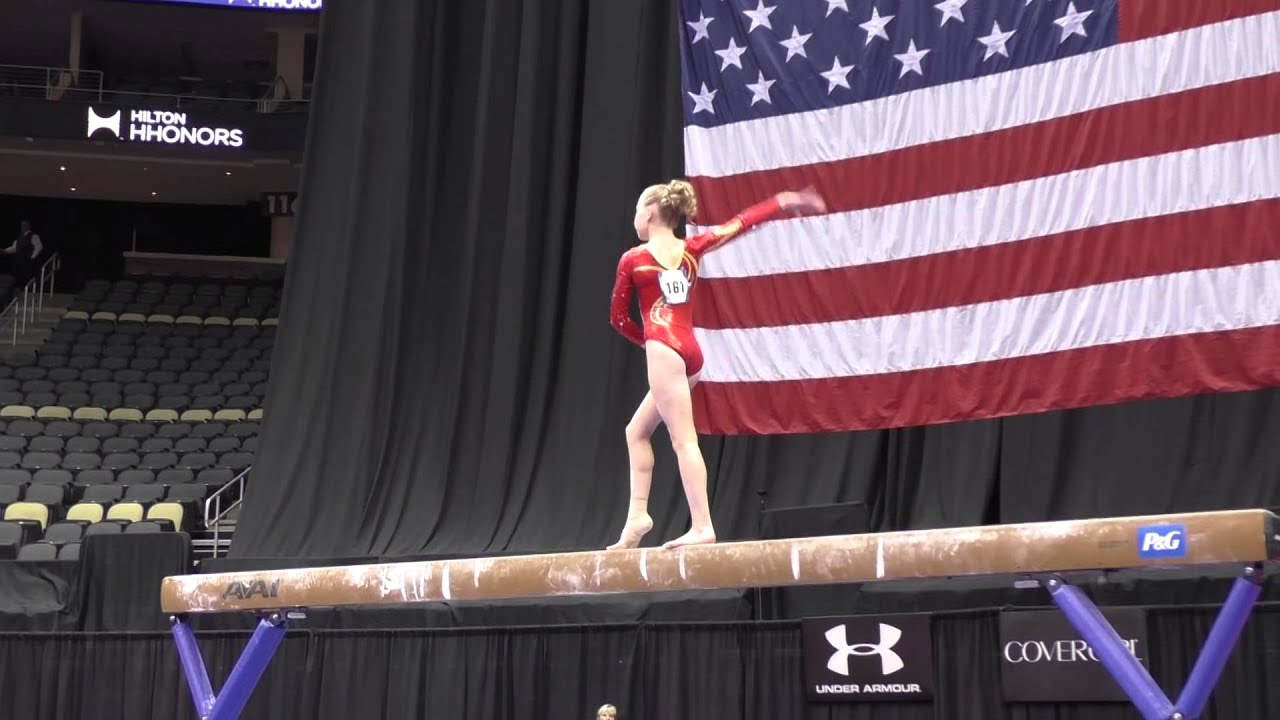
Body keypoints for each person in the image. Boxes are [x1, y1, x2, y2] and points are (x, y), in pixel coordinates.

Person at [607, 180, 826, 550]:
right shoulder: (692, 247)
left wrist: (650, 342)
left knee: (682, 438)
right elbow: (740, 222)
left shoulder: (634, 258)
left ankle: (703, 526)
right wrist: (782, 200)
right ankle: (637, 518)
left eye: (636, 212)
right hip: (691, 352)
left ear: (648, 213)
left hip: (664, 348)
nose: (634, 219)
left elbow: (618, 318)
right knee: (636, 431)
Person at [3, 220, 43, 290]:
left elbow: (39, 247)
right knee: (19, 277)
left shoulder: (33, 236)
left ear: (28, 226)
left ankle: (31, 291)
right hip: (19, 262)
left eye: (24, 225)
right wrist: (4, 251)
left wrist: (32, 256)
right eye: (22, 226)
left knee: (28, 278)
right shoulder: (20, 238)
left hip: (28, 262)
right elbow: (14, 248)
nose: (22, 227)